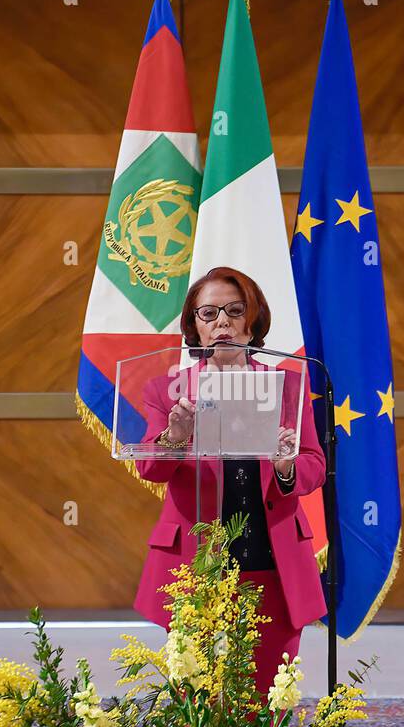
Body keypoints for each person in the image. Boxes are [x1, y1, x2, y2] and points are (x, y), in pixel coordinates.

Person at [133, 266, 327, 695]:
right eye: (209, 313)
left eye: (234, 311)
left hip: (270, 558)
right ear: (194, 326)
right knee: (195, 701)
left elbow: (314, 463)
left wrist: (285, 466)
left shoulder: (289, 386)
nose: (222, 322)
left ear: (252, 322)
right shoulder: (166, 390)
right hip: (195, 561)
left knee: (266, 696)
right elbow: (150, 468)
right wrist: (174, 438)